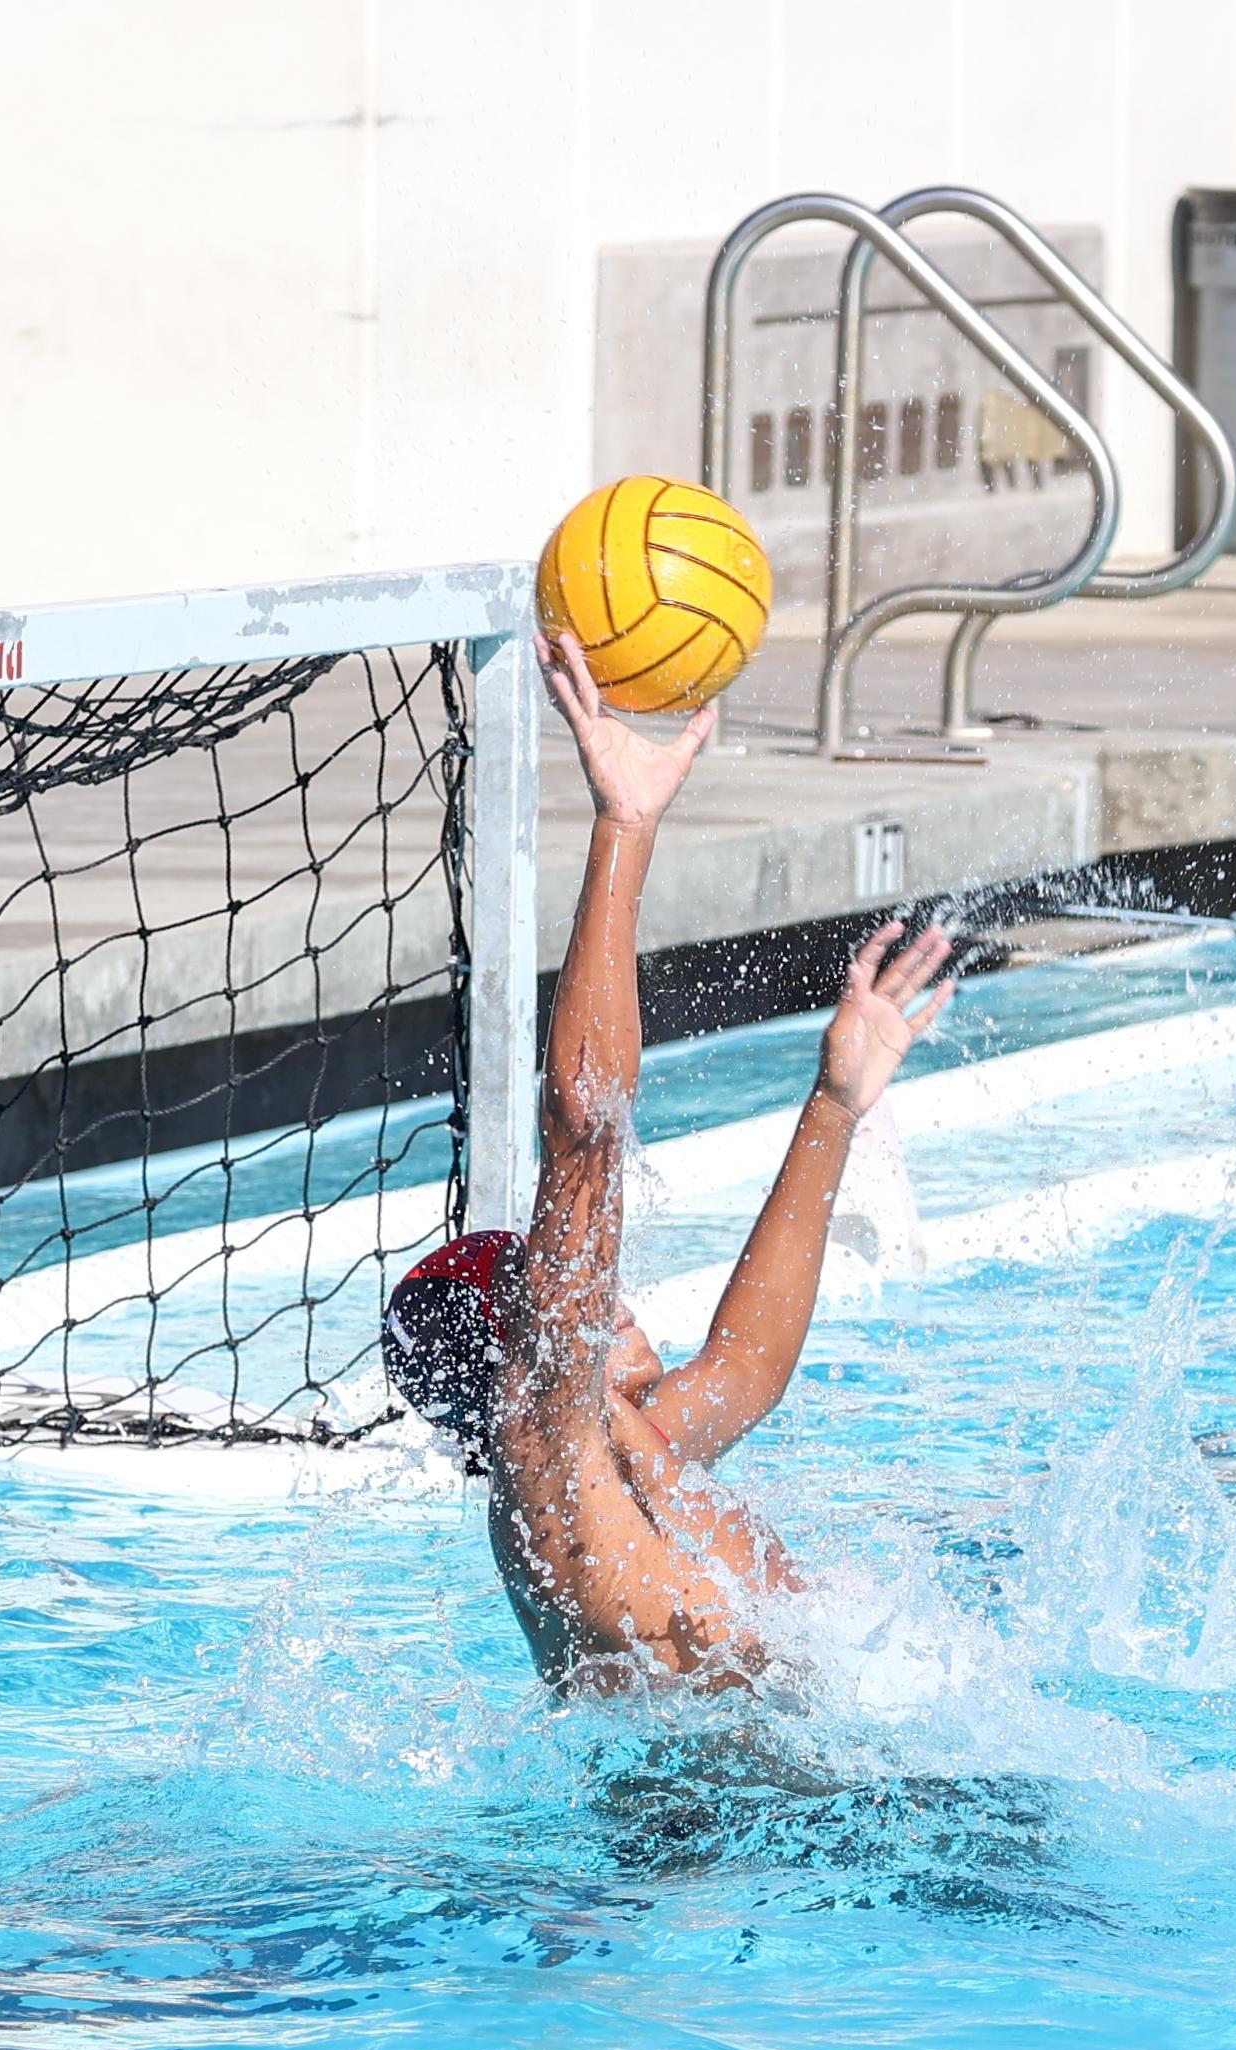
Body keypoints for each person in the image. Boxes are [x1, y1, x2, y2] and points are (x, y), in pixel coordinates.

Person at [374, 635, 956, 1693]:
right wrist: (623, 830)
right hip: (731, 1831)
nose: (607, 1287)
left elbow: (746, 1370)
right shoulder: (544, 1464)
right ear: (527, 1333)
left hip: (803, 1806)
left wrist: (834, 1101)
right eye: (553, 1273)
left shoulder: (623, 1446)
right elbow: (585, 1131)